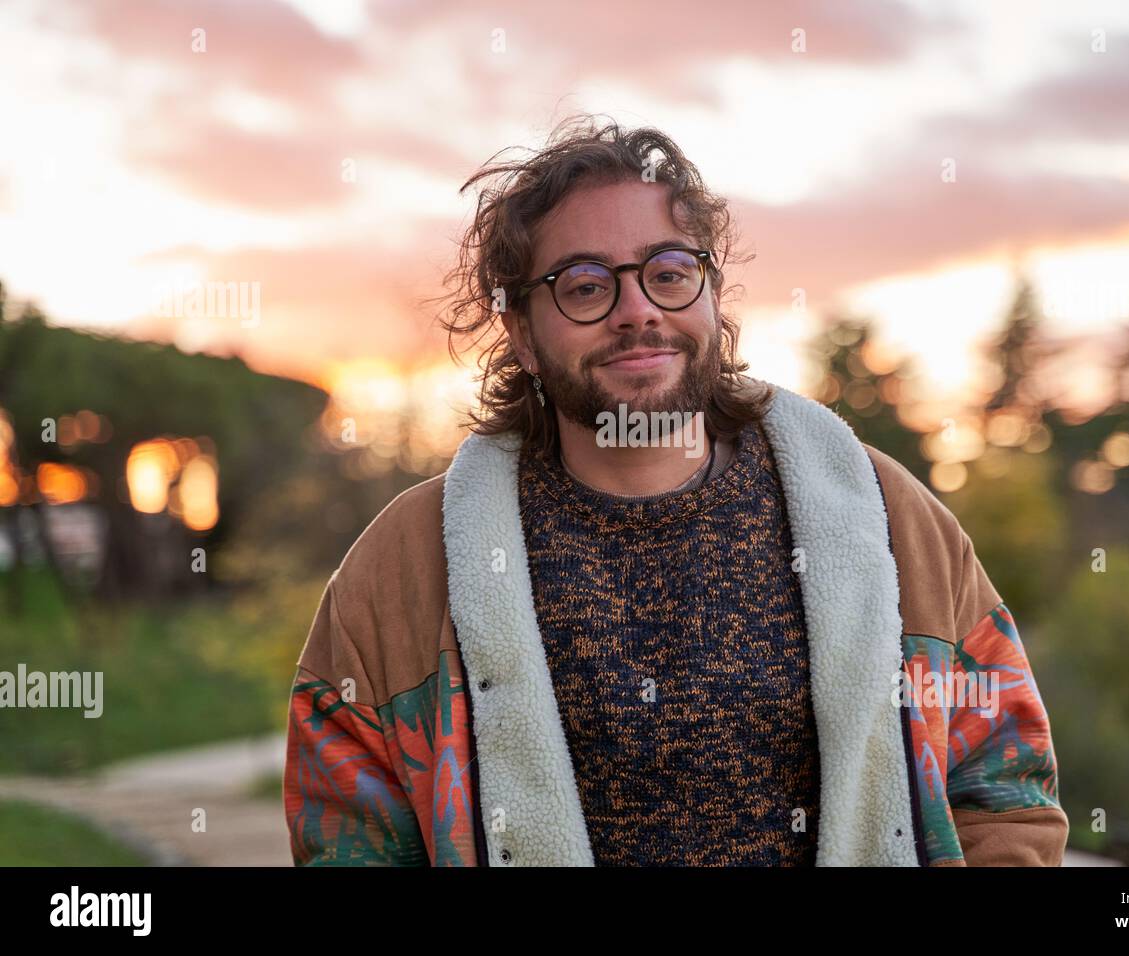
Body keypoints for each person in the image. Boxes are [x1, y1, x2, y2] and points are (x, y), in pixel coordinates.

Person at [282, 115, 1068, 866]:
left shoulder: (885, 517)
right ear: (521, 331)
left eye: (668, 273)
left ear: (712, 297)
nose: (637, 311)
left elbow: (1006, 784)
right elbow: (346, 835)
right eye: (585, 286)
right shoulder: (406, 565)